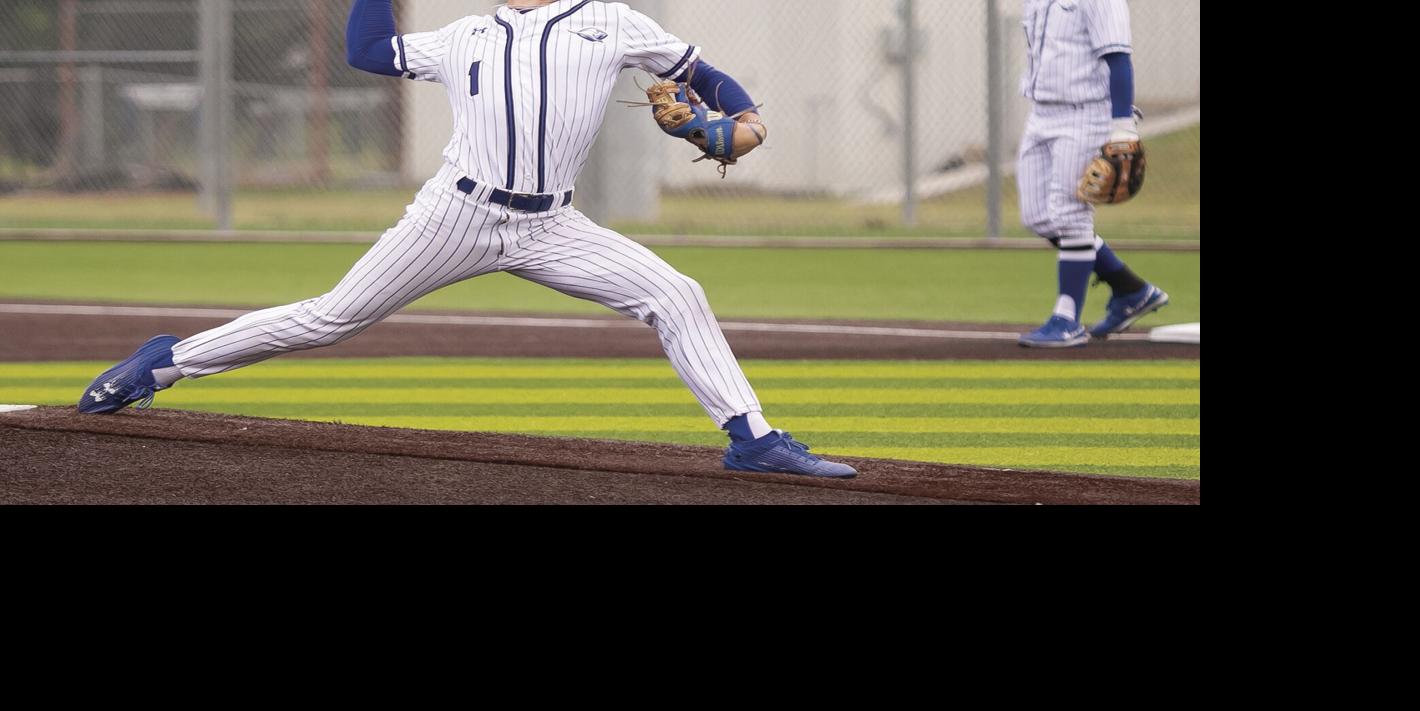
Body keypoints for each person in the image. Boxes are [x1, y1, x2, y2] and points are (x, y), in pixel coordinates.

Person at [77, 0, 856, 479]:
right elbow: (367, 53)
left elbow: (708, 78)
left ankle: (750, 437)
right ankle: (166, 362)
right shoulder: (463, 37)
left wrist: (742, 126)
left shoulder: (612, 20)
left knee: (675, 294)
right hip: (456, 214)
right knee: (332, 318)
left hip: (551, 222)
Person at [1015, 0, 1168, 348]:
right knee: (1038, 217)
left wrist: (1122, 127)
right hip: (1041, 113)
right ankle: (1132, 290)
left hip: (1085, 112)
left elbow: (1118, 58)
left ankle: (1067, 318)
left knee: (1071, 216)